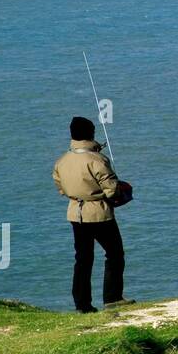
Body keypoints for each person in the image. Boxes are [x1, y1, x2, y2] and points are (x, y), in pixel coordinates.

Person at [53, 116, 131, 313]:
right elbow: (111, 189)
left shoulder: (62, 161)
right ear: (91, 134)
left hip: (75, 213)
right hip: (98, 213)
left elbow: (60, 187)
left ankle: (82, 304)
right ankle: (112, 297)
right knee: (114, 254)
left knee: (83, 259)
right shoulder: (97, 160)